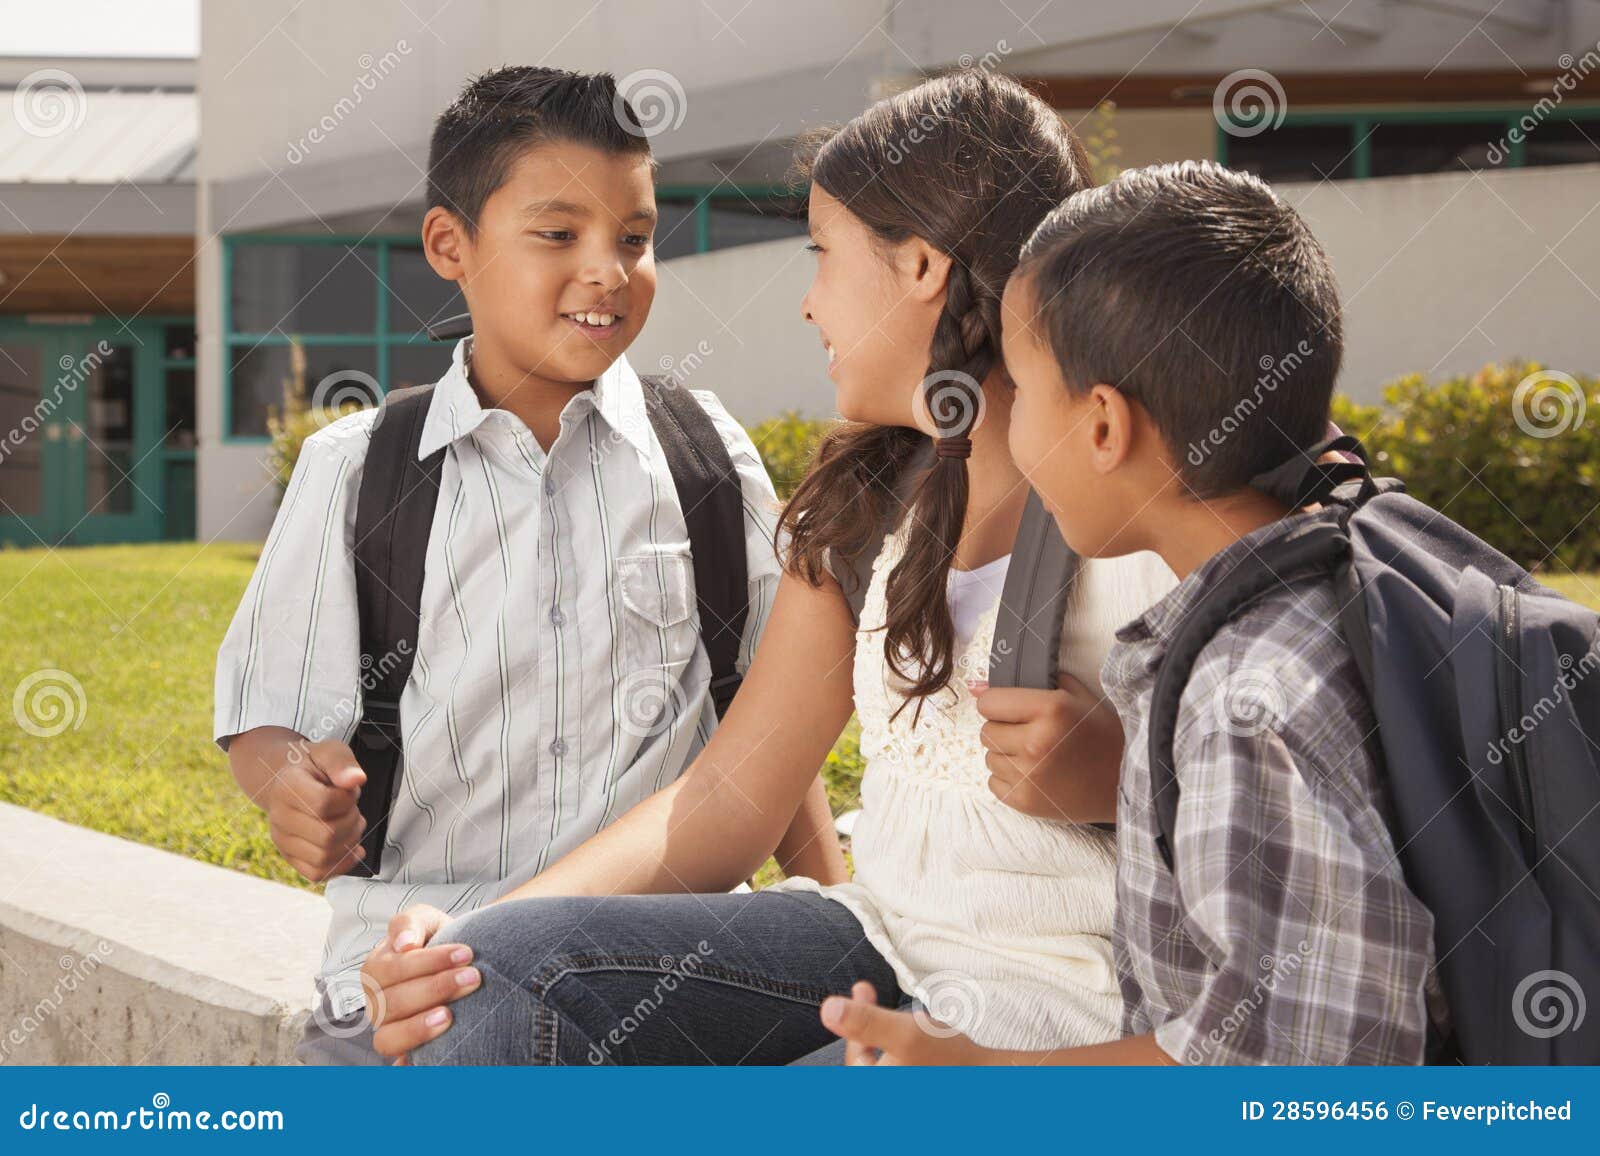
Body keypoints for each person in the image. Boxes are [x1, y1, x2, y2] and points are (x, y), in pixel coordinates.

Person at [368, 70, 1177, 1066]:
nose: (807, 302)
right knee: (485, 982)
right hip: (874, 940)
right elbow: (726, 800)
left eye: (823, 255)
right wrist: (459, 945)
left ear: (920, 265)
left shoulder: (1140, 492)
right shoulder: (865, 498)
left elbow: (1287, 815)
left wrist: (1124, 778)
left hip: (1057, 1005)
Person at [212, 66, 842, 1066]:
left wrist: (832, 907)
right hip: (409, 975)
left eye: (634, 239)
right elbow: (267, 714)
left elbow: (770, 726)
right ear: (449, 246)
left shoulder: (704, 457)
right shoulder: (358, 470)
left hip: (657, 968)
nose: (607, 271)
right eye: (559, 236)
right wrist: (294, 784)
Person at [822, 160, 1448, 1065]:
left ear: (1105, 428)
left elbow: (1297, 1075)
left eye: (1027, 397)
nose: (1013, 435)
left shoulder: (1250, 692)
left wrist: (985, 1077)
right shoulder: (1297, 598)